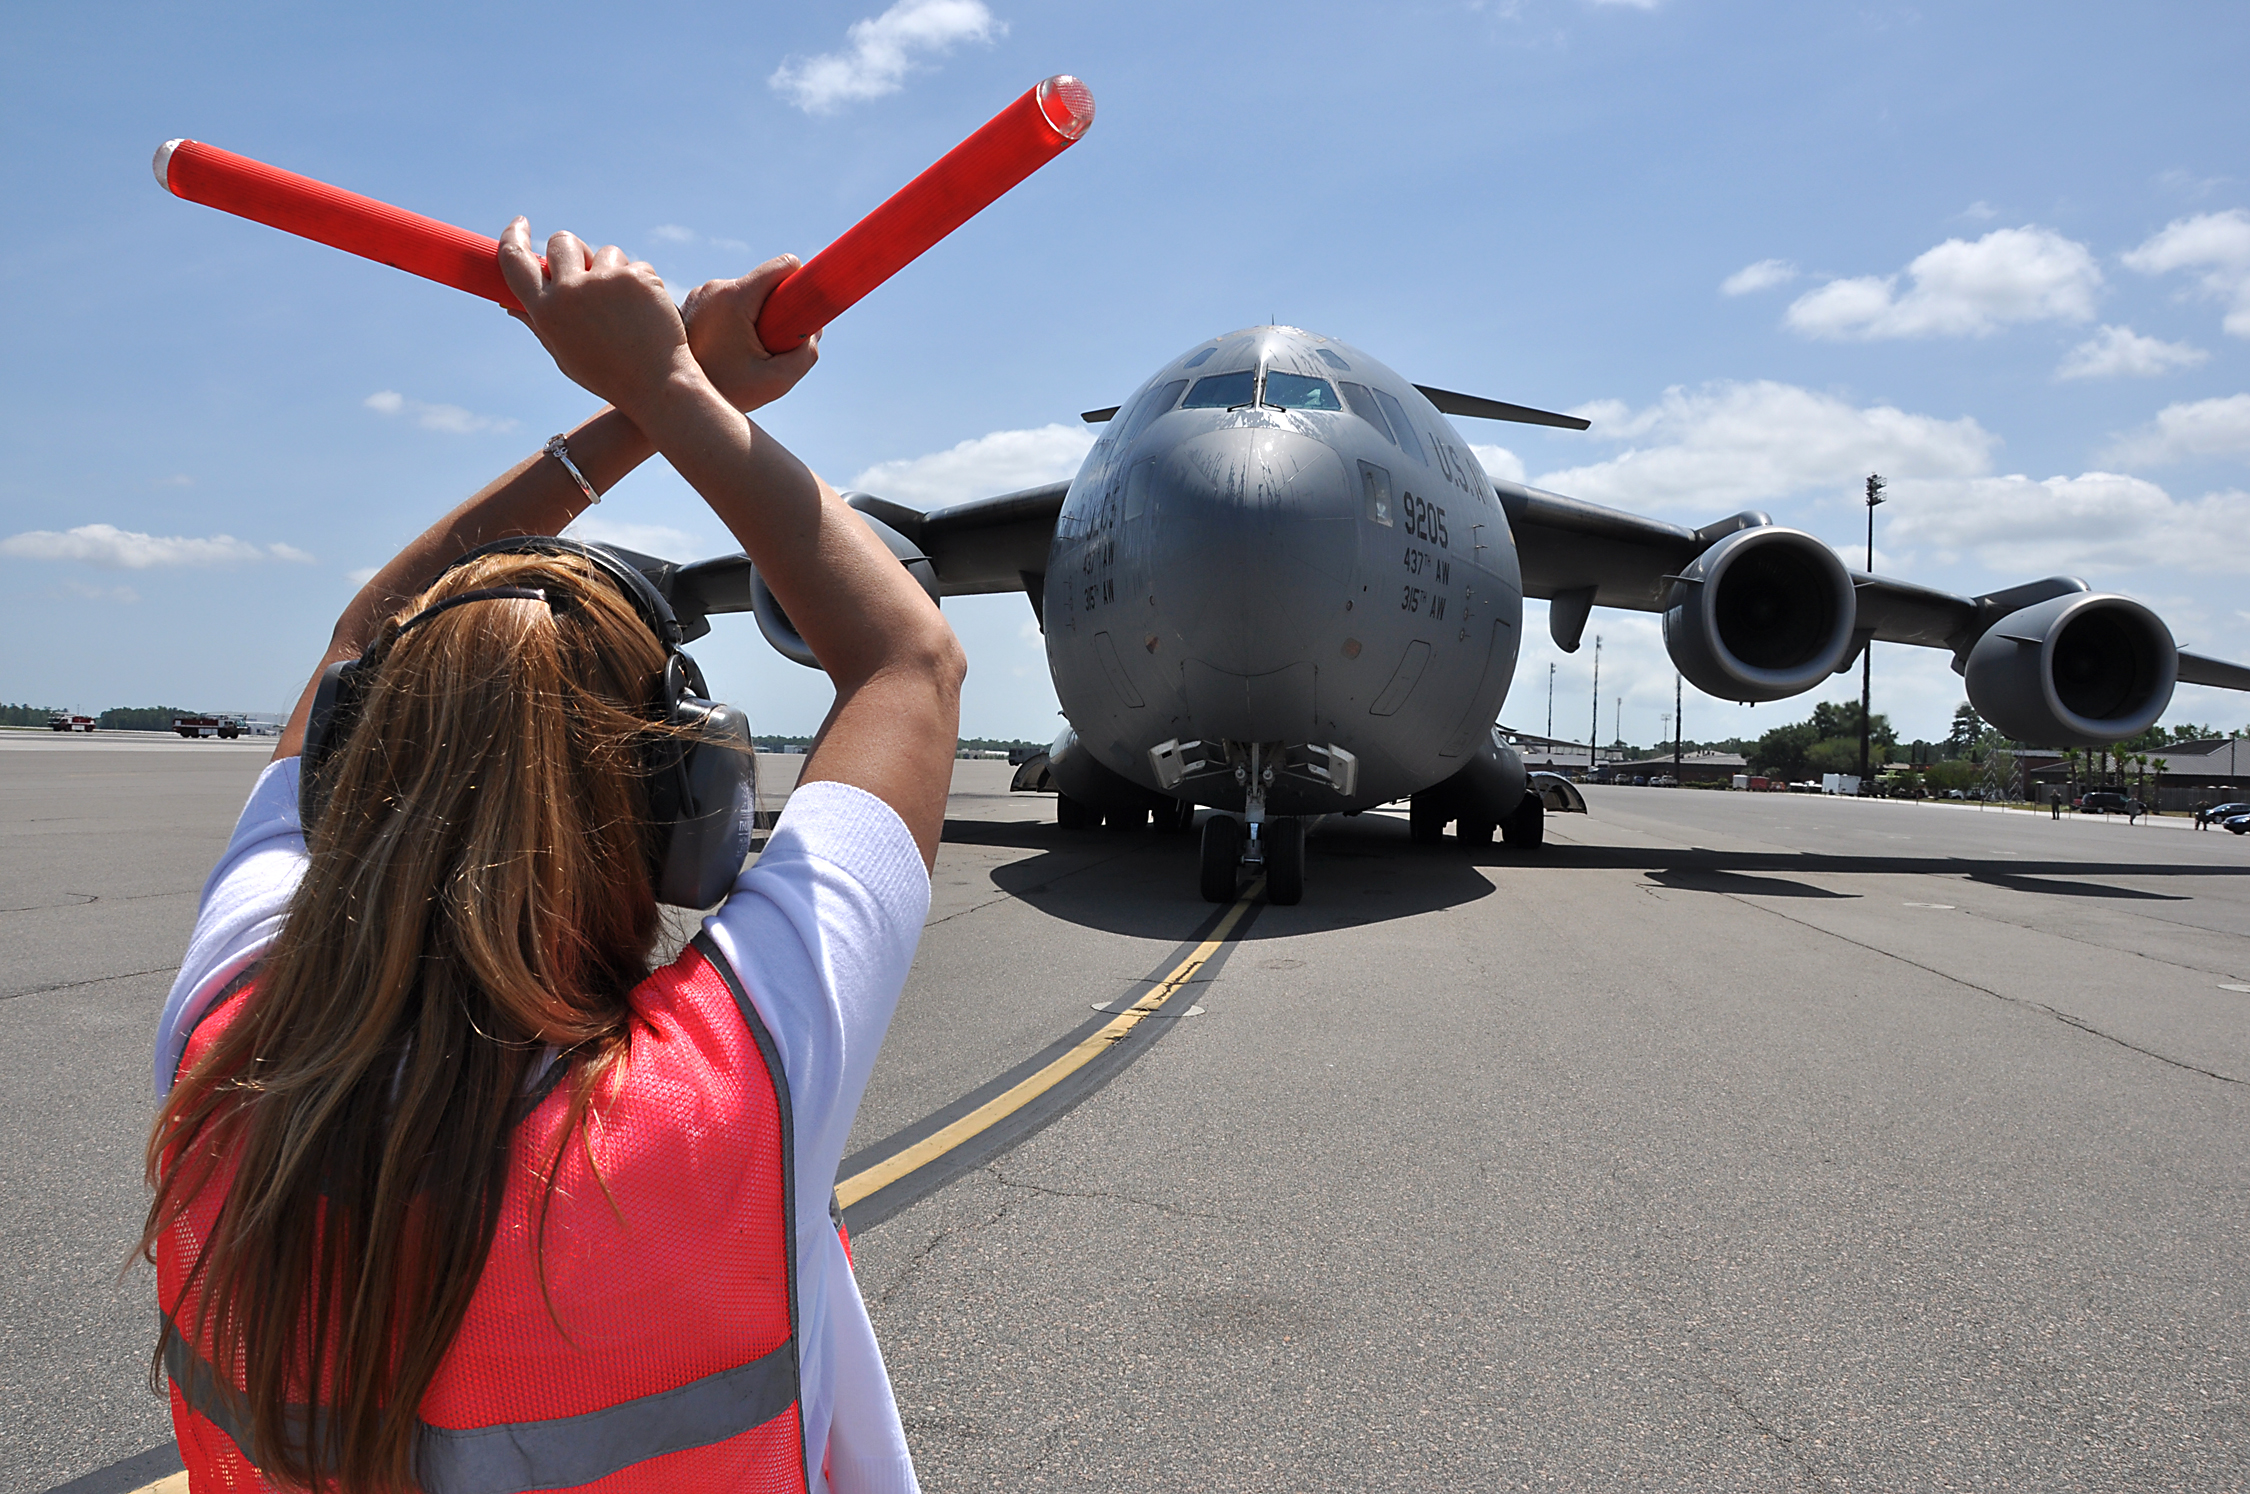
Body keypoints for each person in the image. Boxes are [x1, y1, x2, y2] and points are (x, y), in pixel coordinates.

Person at [140, 222, 963, 1493]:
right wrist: (666, 387)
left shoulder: (222, 1049)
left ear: (348, 777)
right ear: (685, 810)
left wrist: (641, 409)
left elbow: (362, 635)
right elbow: (910, 657)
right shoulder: (721, 1099)